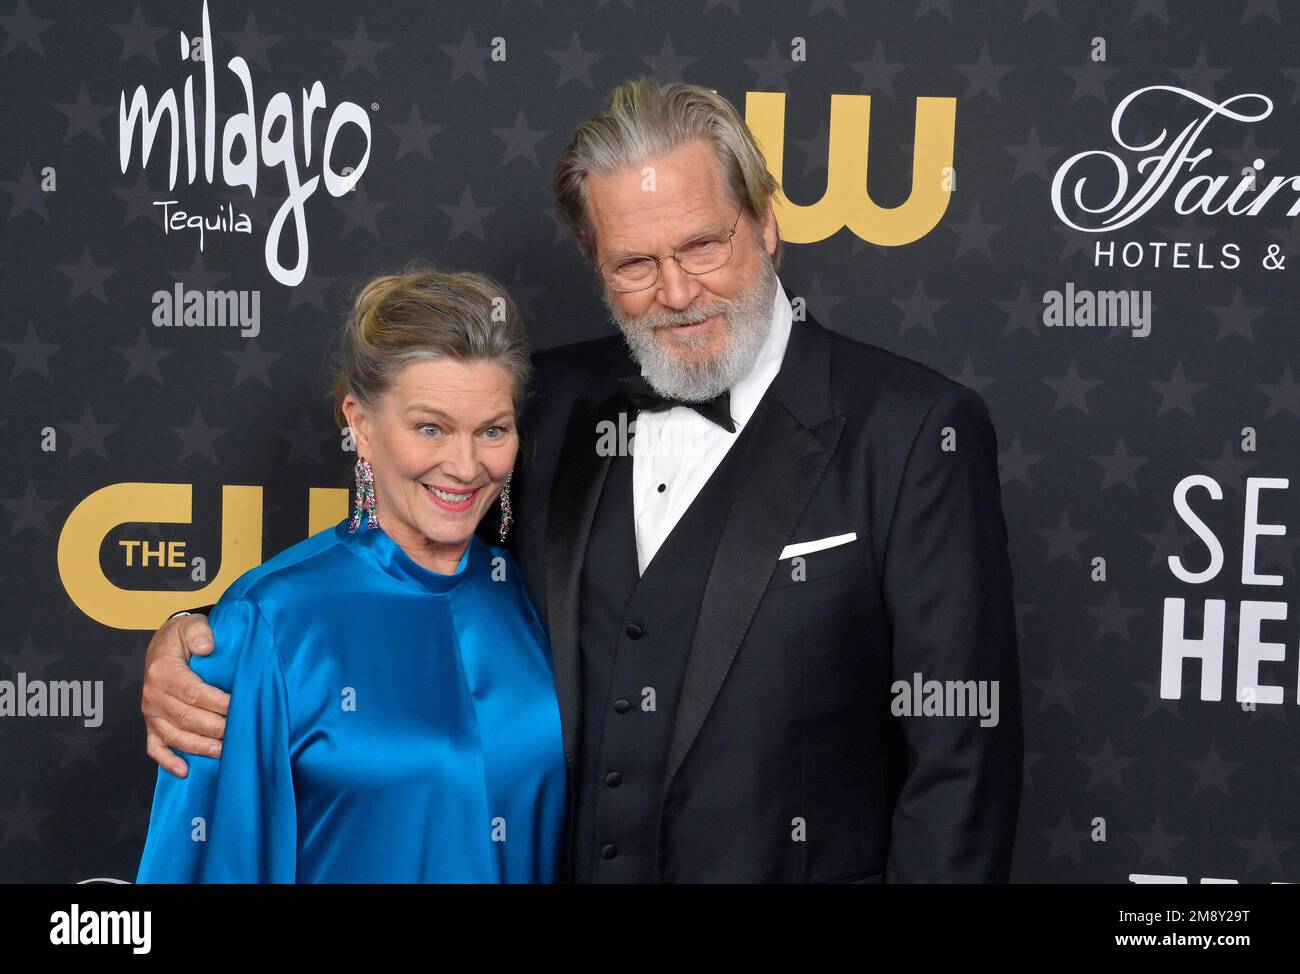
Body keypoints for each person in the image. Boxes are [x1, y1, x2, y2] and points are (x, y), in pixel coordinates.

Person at [140, 77, 1023, 883]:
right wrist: (206, 636)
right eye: (635, 264)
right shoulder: (545, 405)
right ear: (598, 267)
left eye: (704, 245)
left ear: (765, 223)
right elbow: (400, 571)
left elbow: (961, 765)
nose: (678, 292)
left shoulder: (912, 433)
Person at [135, 268, 567, 882]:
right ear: (360, 425)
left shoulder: (533, 592)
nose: (466, 466)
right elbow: (214, 863)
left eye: (492, 430)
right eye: (430, 428)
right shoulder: (266, 623)